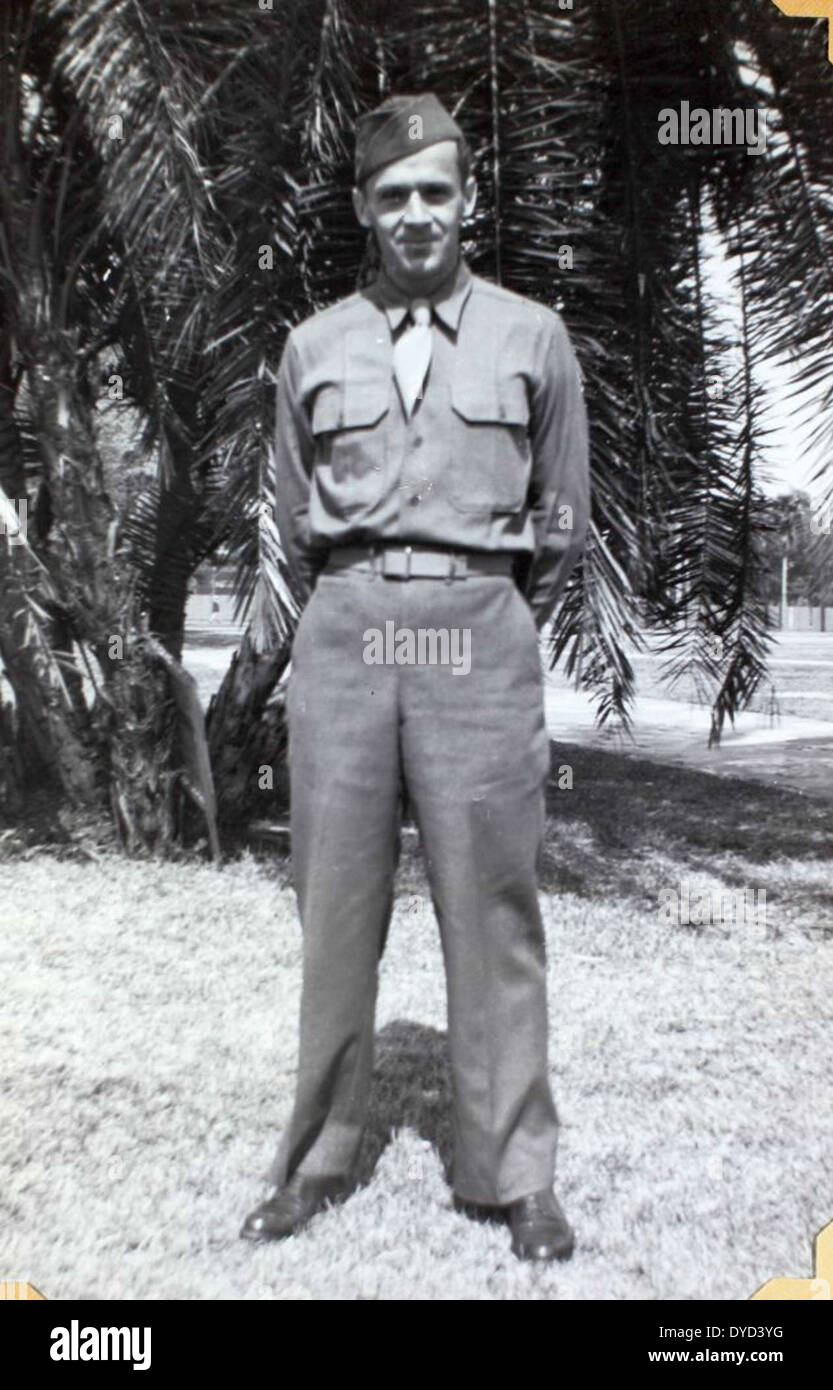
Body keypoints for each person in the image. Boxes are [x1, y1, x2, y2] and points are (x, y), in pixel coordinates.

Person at [241, 93, 590, 1262]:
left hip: (475, 635)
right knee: (334, 905)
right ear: (360, 208)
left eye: (434, 190)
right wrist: (364, 601)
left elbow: (558, 515)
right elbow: (295, 519)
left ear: (468, 202)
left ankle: (514, 1172)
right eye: (391, 195)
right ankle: (317, 1158)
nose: (415, 214)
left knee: (490, 907)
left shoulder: (531, 338)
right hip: (347, 634)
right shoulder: (314, 345)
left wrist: (481, 615)